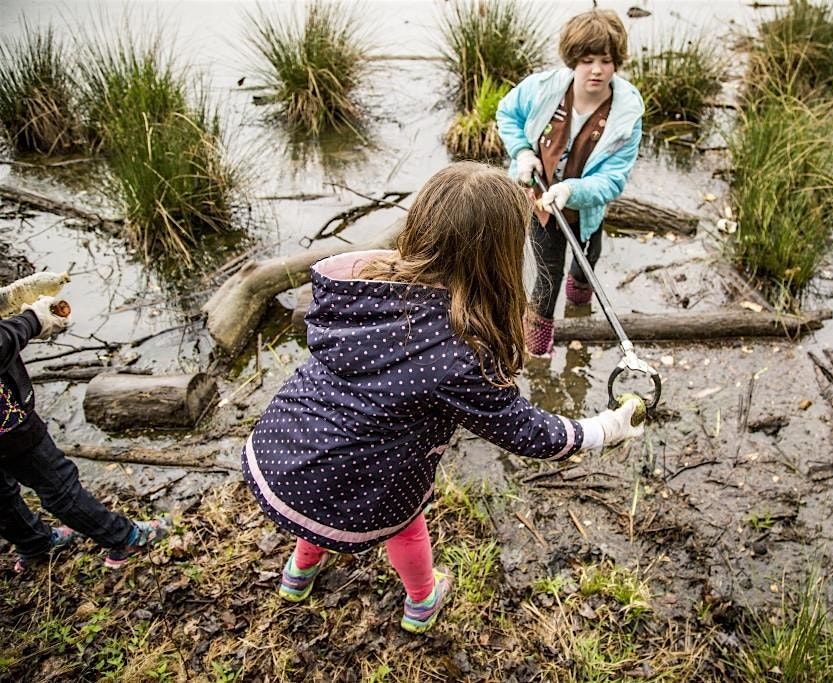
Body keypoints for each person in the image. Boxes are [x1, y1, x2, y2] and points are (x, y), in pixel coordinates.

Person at [243, 162, 645, 634]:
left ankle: (297, 575)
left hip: (280, 458)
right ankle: (423, 601)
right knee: (406, 523)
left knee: (322, 496)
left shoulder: (363, 284)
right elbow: (526, 431)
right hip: (345, 485)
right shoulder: (459, 353)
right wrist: (604, 428)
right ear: (500, 254)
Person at [496, 8, 644, 356]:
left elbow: (613, 180)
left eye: (605, 61)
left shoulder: (626, 116)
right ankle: (536, 351)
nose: (596, 70)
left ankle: (579, 304)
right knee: (547, 279)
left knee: (586, 264)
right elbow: (506, 113)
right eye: (587, 60)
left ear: (616, 62)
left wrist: (571, 190)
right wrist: (521, 152)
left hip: (586, 212)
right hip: (541, 206)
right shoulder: (541, 89)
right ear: (573, 60)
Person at [1, 290, 171, 573]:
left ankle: (34, 543)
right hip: (6, 419)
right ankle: (124, 537)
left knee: (1, 492)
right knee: (56, 481)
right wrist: (33, 320)